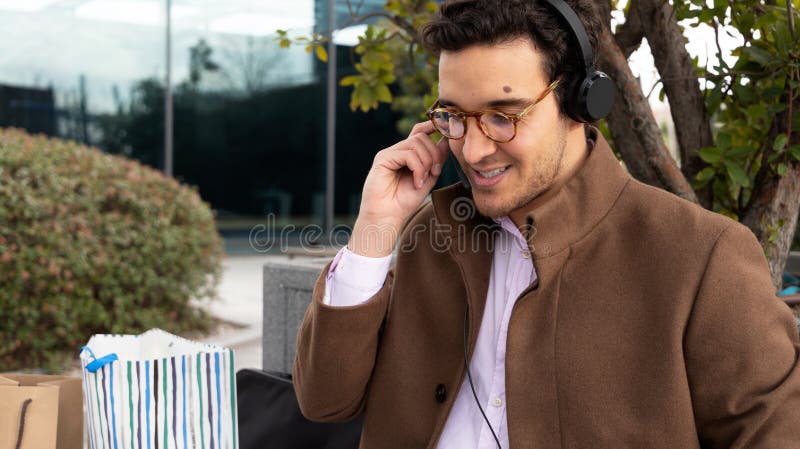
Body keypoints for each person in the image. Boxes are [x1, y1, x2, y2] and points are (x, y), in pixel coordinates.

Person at [292, 0, 800, 448]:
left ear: (581, 101)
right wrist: (375, 229)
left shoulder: (702, 256)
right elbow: (324, 402)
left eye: (503, 115)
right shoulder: (430, 233)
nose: (472, 150)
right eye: (455, 116)